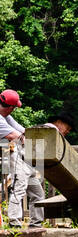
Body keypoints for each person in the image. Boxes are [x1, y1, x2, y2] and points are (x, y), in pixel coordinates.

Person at [0, 88, 45, 229]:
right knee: (19, 189)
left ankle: (36, 224)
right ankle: (14, 224)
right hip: (12, 156)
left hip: (22, 158)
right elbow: (18, 137)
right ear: (11, 107)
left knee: (37, 192)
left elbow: (23, 130)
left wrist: (37, 132)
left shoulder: (6, 117)